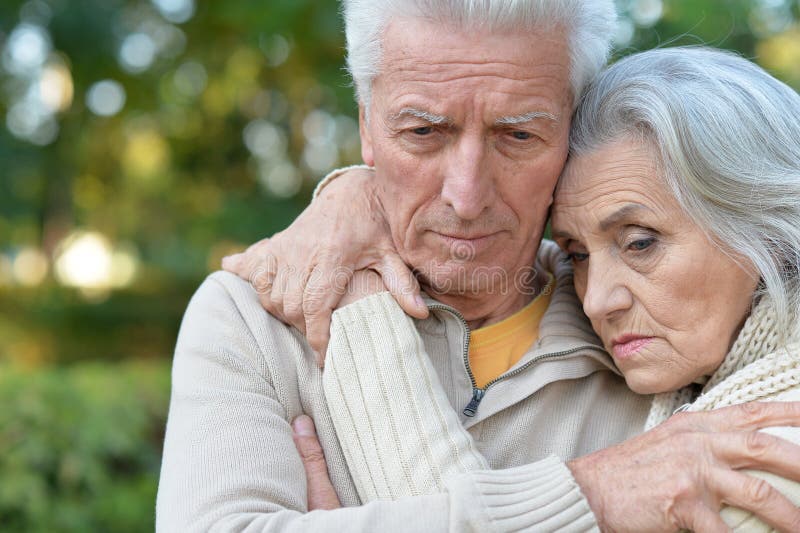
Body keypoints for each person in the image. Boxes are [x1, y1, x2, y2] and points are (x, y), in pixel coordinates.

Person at [159, 1, 800, 531]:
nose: (466, 197)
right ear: (367, 126)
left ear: (571, 134)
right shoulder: (253, 316)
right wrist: (597, 493)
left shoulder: (670, 356)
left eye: (517, 135)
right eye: (423, 132)